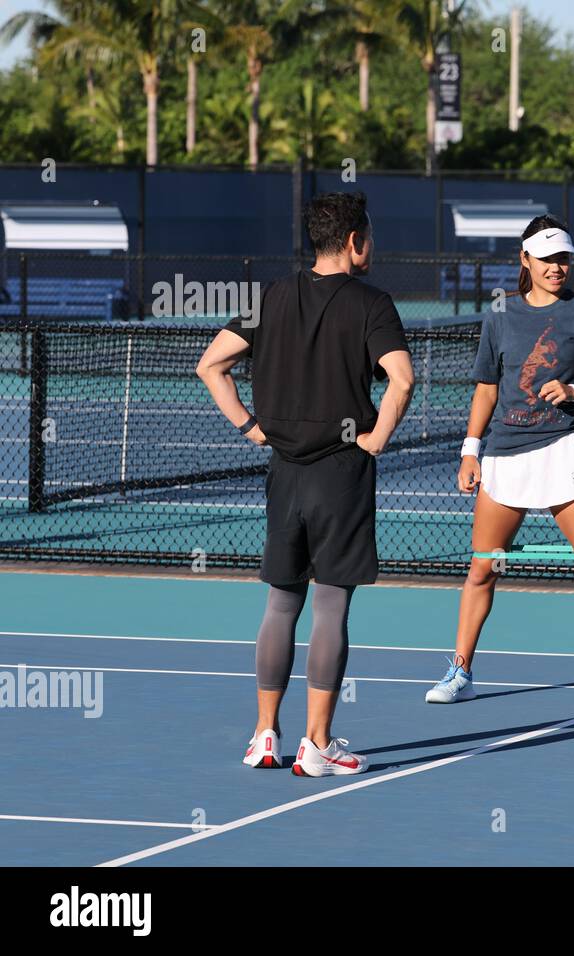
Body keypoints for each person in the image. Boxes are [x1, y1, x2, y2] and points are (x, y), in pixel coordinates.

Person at [196, 191, 414, 776]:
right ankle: (317, 744)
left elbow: (210, 364)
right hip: (340, 475)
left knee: (281, 600)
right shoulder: (373, 304)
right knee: (332, 605)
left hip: (284, 475)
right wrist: (375, 439)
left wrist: (249, 426)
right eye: (370, 234)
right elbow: (402, 378)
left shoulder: (270, 298)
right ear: (353, 242)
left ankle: (265, 735)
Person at [425, 215, 574, 715]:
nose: (558, 266)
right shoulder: (500, 315)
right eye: (548, 258)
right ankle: (460, 670)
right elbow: (487, 387)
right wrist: (470, 449)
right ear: (525, 260)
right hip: (504, 454)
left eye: (564, 257)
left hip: (562, 450)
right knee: (483, 569)